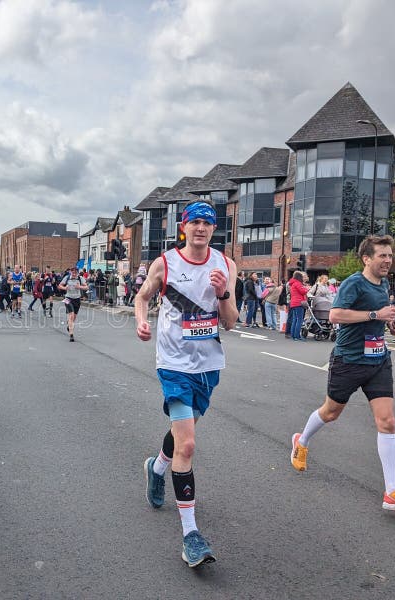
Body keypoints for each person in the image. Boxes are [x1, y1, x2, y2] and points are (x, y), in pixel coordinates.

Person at [136, 201, 238, 568]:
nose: (200, 228)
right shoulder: (165, 263)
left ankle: (157, 468)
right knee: (189, 444)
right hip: (174, 364)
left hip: (208, 366)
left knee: (183, 433)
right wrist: (141, 320)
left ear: (214, 229)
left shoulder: (226, 265)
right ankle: (191, 535)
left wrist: (223, 293)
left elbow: (230, 322)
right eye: (194, 222)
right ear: (184, 226)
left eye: (207, 223)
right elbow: (142, 296)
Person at [290, 235, 395, 514]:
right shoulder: (353, 283)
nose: (388, 260)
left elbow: (380, 316)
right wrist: (376, 315)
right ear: (367, 259)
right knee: (330, 413)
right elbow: (336, 315)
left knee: (387, 421)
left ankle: (391, 492)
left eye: (390, 255)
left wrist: (390, 324)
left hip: (378, 360)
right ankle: (301, 441)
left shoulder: (384, 284)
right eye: (382, 256)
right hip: (349, 360)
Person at [58, 266, 88, 342]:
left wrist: (79, 286)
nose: (74, 274)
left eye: (75, 272)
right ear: (70, 272)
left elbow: (86, 287)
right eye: (73, 272)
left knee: (73, 317)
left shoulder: (80, 278)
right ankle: (71, 335)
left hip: (77, 299)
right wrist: (65, 288)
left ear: (77, 272)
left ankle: (69, 325)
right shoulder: (67, 278)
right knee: (71, 316)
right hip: (68, 298)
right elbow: (60, 285)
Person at [288, 271, 309, 341]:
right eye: (302, 277)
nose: (303, 278)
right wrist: (307, 288)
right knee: (299, 320)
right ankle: (297, 336)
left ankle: (293, 335)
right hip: (299, 303)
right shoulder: (298, 283)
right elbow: (303, 291)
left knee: (295, 319)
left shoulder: (293, 283)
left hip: (293, 303)